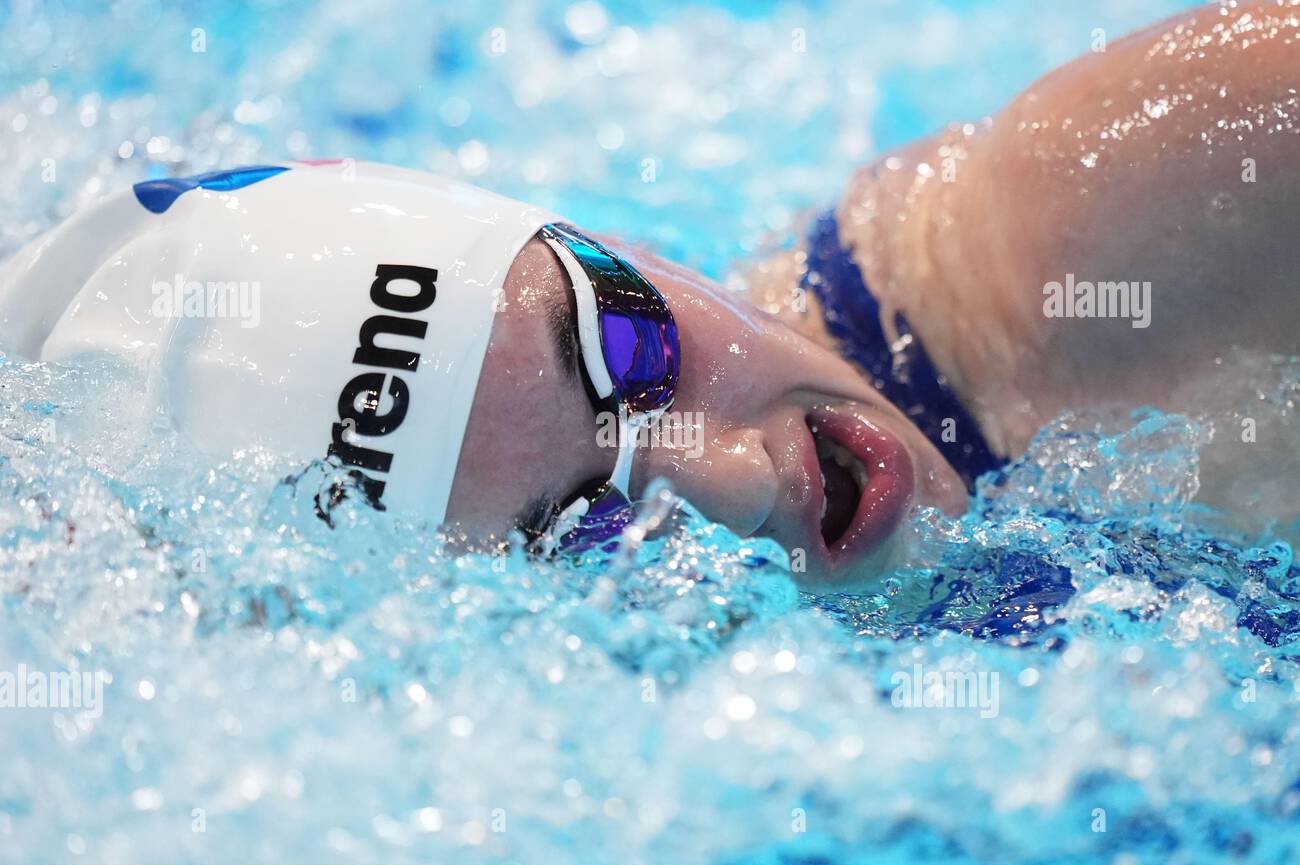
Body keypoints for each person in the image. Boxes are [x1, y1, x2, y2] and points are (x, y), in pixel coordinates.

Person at [0, 1, 1295, 592]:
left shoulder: (1082, 234)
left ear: (612, 234)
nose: (735, 479)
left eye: (629, 343)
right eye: (583, 534)